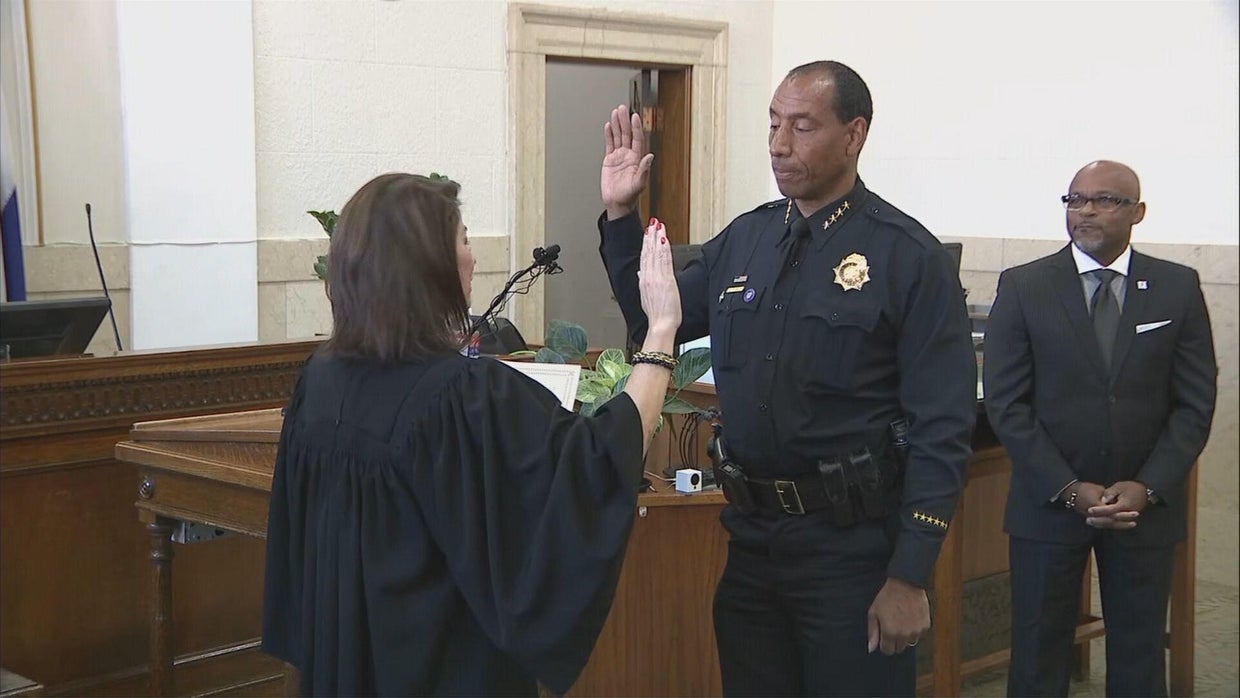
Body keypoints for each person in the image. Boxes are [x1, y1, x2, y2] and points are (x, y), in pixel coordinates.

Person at [597, 61, 977, 695]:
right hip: (753, 547)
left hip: (853, 552)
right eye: (773, 124)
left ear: (854, 135)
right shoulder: (746, 240)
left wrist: (910, 574)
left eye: (802, 127)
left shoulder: (907, 257)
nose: (778, 143)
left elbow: (944, 429)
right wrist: (619, 215)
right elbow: (652, 316)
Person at [262, 173, 683, 696]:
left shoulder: (318, 379)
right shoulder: (461, 395)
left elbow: (296, 565)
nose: (474, 256)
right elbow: (597, 462)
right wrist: (661, 330)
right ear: (429, 265)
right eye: (464, 238)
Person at [984, 160, 1216, 697]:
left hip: (1143, 509)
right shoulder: (1024, 286)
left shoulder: (1177, 287)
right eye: (1075, 199)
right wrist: (1067, 488)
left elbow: (1194, 404)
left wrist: (1149, 486)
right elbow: (1008, 404)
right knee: (1038, 654)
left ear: (1138, 212)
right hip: (1048, 505)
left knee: (1137, 657)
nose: (1086, 210)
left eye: (1105, 200)